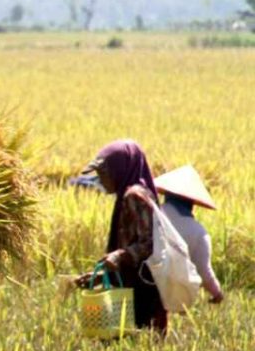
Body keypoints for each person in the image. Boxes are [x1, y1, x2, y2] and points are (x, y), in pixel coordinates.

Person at [76, 140, 167, 334]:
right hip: (134, 287)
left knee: (142, 346)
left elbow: (149, 243)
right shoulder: (129, 195)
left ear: (121, 170)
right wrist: (101, 276)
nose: (101, 180)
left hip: (143, 292)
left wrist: (119, 256)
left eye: (104, 174)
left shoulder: (134, 196)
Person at [155, 165, 224, 304]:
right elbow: (204, 272)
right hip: (172, 299)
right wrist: (217, 293)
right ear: (191, 202)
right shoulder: (198, 233)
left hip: (138, 289)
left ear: (167, 195)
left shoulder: (151, 215)